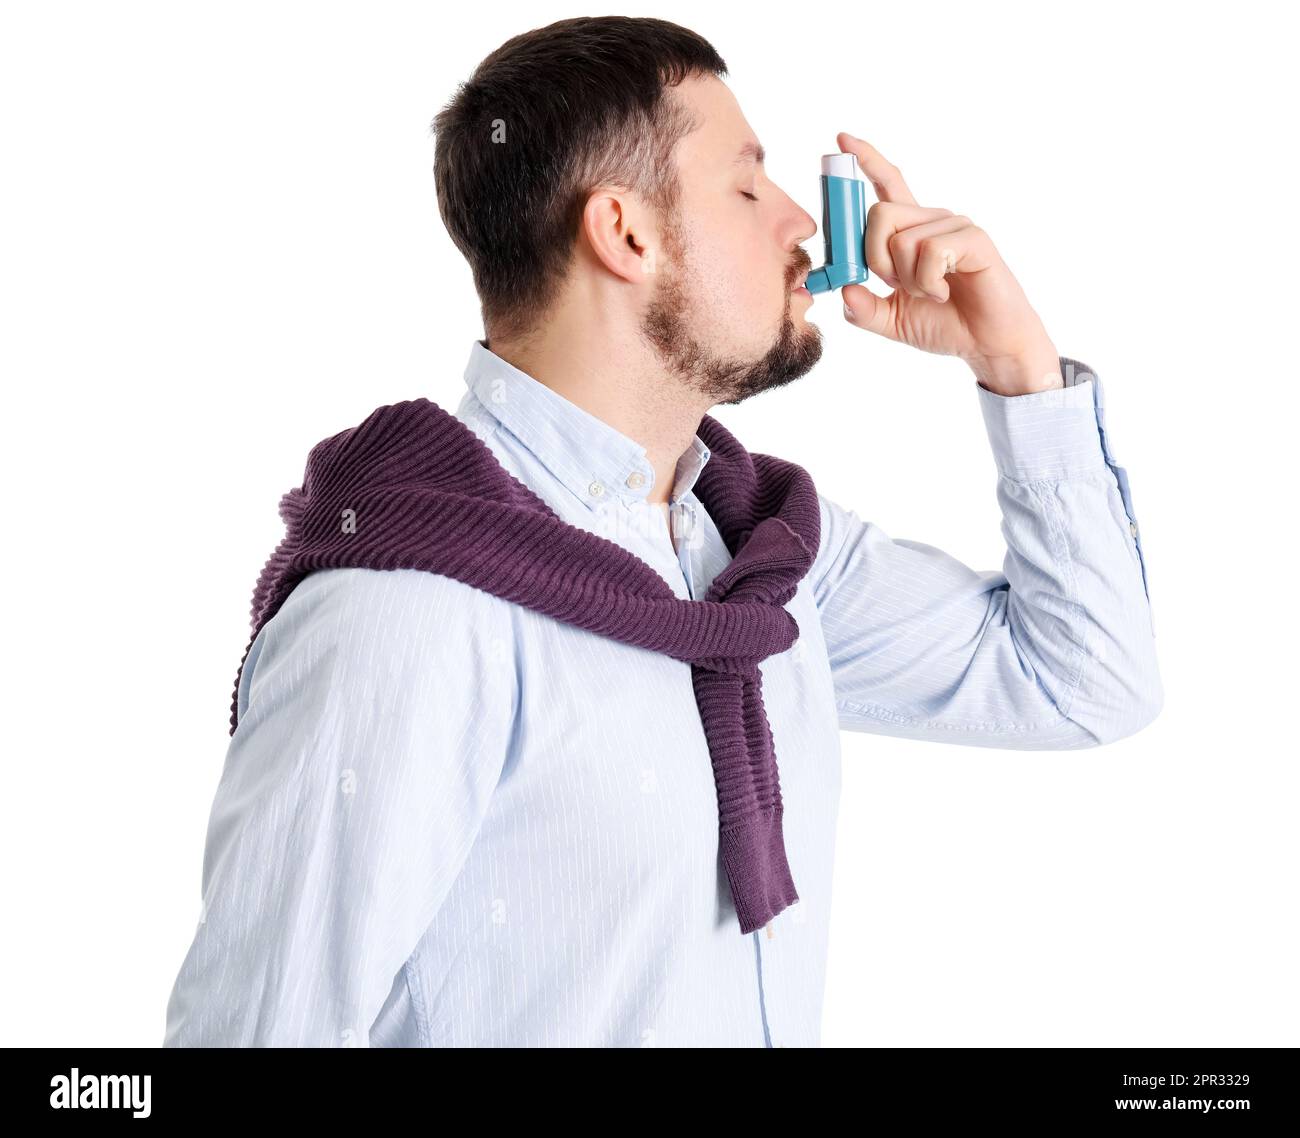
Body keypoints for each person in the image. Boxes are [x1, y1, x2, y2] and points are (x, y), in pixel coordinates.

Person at [163, 15, 1162, 1048]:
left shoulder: (762, 562)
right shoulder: (408, 609)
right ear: (624, 232)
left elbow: (1082, 681)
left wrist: (1021, 373)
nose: (800, 225)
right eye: (746, 186)